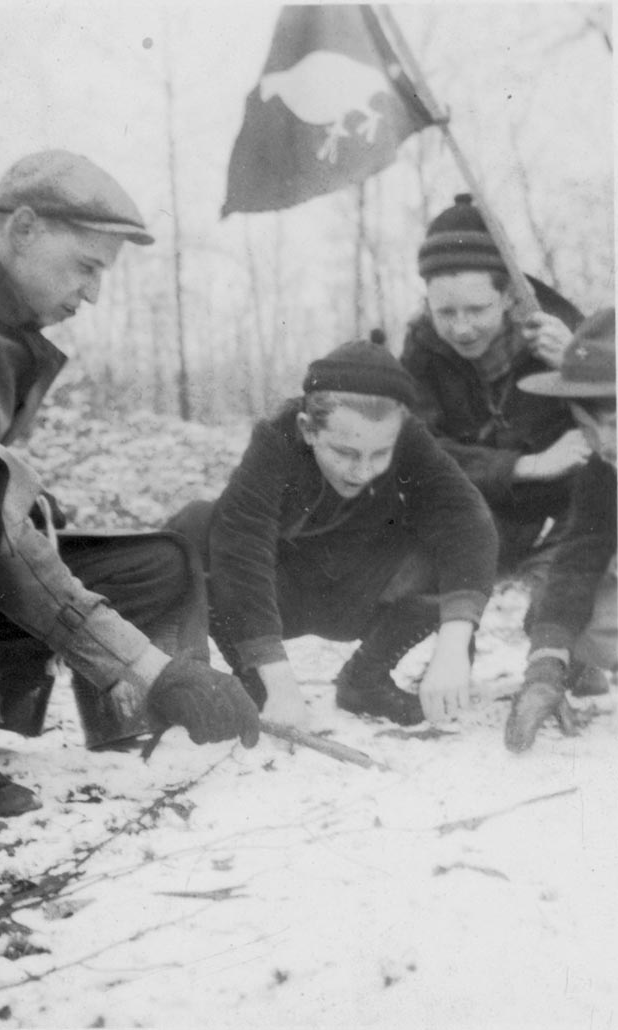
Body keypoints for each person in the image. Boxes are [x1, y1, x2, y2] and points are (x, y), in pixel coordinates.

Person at [0, 150, 259, 819]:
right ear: (22, 229)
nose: (93, 295)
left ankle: (137, 732)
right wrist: (149, 664)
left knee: (158, 561)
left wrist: (31, 496)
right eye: (86, 266)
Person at [168, 330, 499, 730]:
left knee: (447, 542)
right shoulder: (276, 440)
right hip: (279, 595)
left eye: (380, 455)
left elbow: (468, 521)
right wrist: (278, 679)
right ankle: (253, 684)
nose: (362, 471)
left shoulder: (408, 435)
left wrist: (453, 644)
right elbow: (241, 553)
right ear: (308, 429)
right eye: (345, 453)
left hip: (357, 591)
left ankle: (365, 681)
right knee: (198, 525)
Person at [400, 192, 604, 696]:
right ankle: (452, 659)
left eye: (477, 309)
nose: (461, 327)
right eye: (445, 312)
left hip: (570, 512)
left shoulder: (564, 331)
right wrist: (525, 465)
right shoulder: (422, 352)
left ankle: (566, 657)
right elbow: (420, 450)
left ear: (510, 296)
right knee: (441, 540)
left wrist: (578, 367)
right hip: (487, 504)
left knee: (569, 574)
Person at [504, 309, 616, 752]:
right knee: (555, 612)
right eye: (589, 429)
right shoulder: (602, 471)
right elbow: (576, 562)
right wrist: (546, 668)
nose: (605, 445)